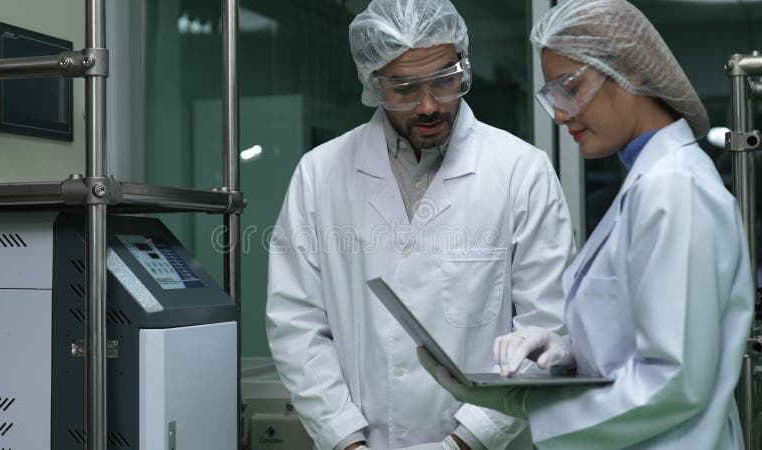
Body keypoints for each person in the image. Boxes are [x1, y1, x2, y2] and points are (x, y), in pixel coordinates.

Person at [417, 1, 755, 449]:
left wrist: (527, 406)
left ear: (632, 73)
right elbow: (645, 336)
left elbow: (672, 383)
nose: (558, 114)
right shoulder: (648, 184)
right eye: (552, 95)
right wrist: (566, 350)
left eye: (570, 88)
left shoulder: (675, 190)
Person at [265, 0, 577, 449]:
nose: (429, 105)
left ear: (462, 67)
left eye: (444, 80)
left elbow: (545, 326)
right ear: (373, 84)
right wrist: (344, 439)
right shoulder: (320, 174)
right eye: (405, 88)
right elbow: (296, 322)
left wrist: (466, 442)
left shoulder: (521, 171)